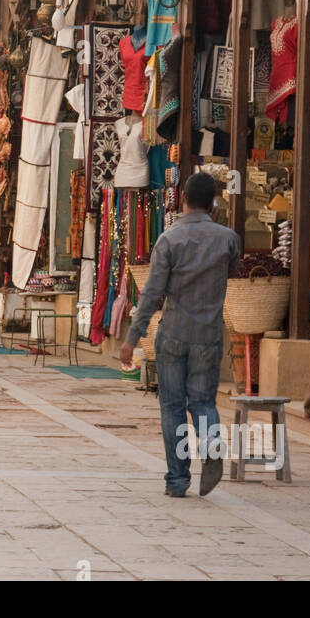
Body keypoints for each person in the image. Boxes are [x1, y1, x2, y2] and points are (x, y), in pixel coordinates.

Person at [120, 172, 241, 498]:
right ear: (214, 203)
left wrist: (132, 338)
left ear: (182, 199)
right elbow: (232, 272)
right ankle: (212, 442)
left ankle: (177, 480)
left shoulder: (168, 240)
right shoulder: (228, 238)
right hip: (208, 334)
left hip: (173, 332)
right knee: (202, 401)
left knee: (173, 407)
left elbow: (152, 293)